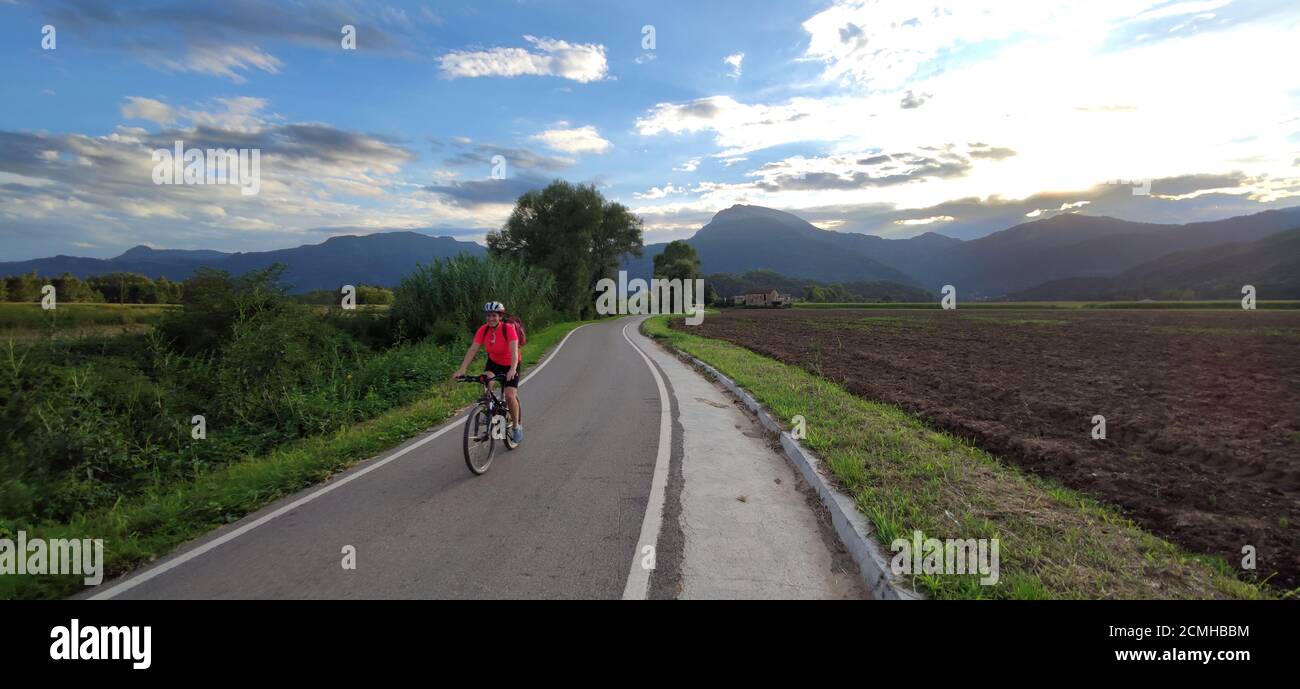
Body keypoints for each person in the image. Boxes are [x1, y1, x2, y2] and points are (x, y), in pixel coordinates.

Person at [453, 301, 523, 443]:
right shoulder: (483, 330)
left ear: (500, 316)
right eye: (488, 316)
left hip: (511, 362)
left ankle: (516, 427)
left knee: (510, 396)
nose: (491, 319)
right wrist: (462, 369)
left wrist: (513, 369)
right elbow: (473, 349)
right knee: (486, 382)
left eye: (494, 316)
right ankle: (489, 409)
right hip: (494, 362)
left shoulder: (508, 328)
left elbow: (514, 350)